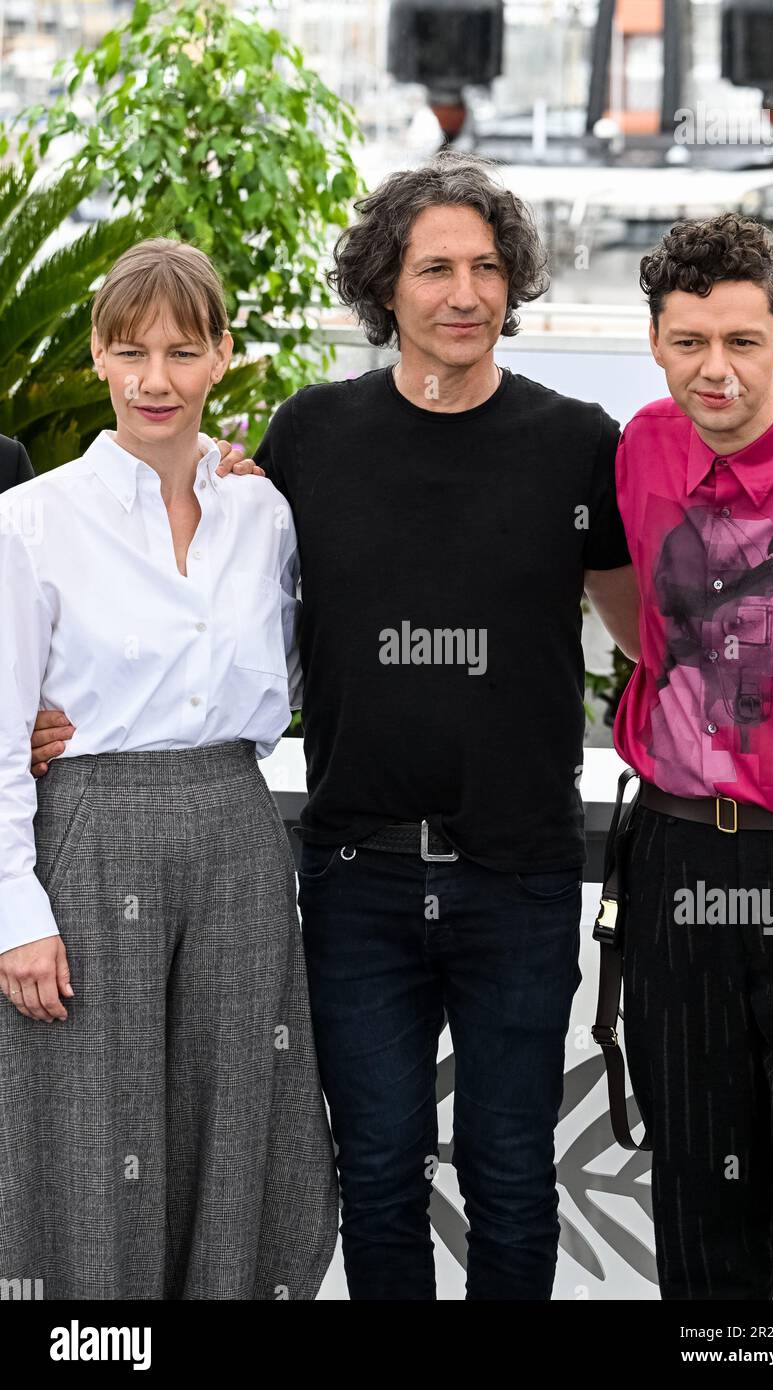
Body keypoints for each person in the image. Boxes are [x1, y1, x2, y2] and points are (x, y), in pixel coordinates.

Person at [189, 150, 638, 1300]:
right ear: (384, 285)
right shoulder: (309, 436)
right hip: (357, 874)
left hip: (521, 875)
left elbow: (646, 634)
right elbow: (205, 600)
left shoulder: (578, 442)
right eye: (434, 268)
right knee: (379, 1177)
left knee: (511, 1177)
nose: (464, 293)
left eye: (486, 267)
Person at [1, 237, 337, 1299]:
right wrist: (15, 911)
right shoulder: (32, 520)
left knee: (237, 1109)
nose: (156, 379)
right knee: (90, 1122)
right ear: (98, 355)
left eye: (183, 352)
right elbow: (2, 735)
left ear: (221, 356)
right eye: (131, 351)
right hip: (89, 835)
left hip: (236, 826)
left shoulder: (264, 514)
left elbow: (294, 676)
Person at [612, 212, 773, 1299]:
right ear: (655, 342)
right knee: (694, 1190)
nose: (713, 370)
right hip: (674, 856)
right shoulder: (639, 446)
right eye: (687, 341)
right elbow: (629, 610)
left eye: (740, 341)